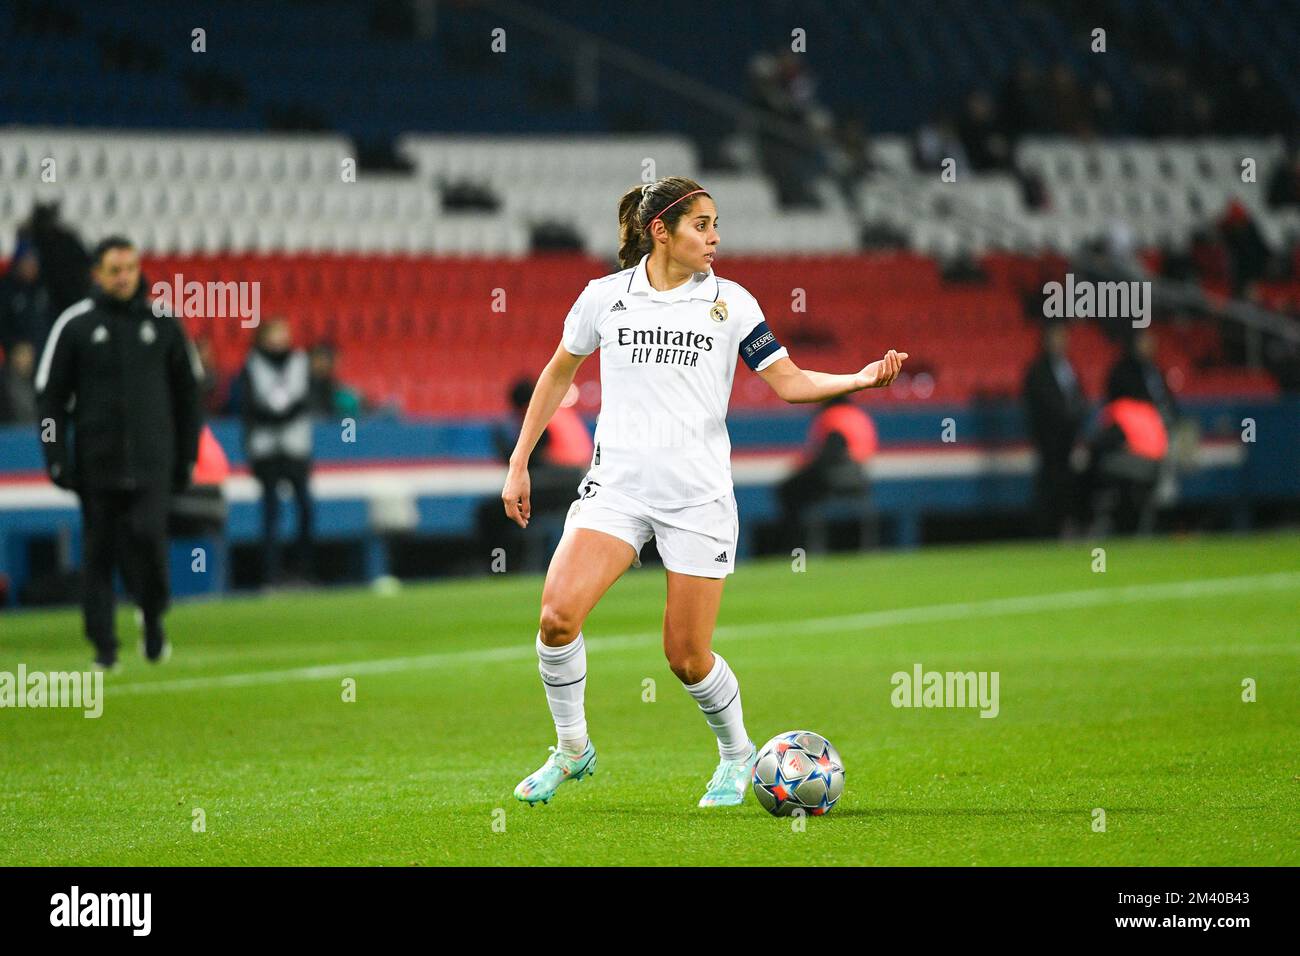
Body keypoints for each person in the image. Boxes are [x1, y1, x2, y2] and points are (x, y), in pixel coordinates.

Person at [502, 176, 907, 809]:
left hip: (698, 498)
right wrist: (520, 460)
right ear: (660, 231)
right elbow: (557, 375)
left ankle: (736, 752)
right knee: (556, 618)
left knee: (686, 656)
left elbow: (789, 382)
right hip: (616, 491)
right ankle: (572, 748)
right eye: (702, 224)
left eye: (716, 224)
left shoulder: (732, 303)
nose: (715, 237)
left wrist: (857, 378)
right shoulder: (604, 298)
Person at [34, 236, 202, 669]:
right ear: (97, 274)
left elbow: (189, 396)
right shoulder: (76, 325)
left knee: (149, 539)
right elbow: (50, 400)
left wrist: (187, 455)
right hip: (97, 464)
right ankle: (104, 647)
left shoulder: (163, 323)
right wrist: (55, 455)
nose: (124, 277)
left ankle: (152, 615)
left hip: (153, 463)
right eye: (114, 270)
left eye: (130, 268)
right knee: (99, 555)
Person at [239, 317, 315, 585]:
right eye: (274, 334)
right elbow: (248, 406)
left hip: (296, 446)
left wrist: (287, 413)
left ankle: (304, 570)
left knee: (304, 508)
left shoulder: (299, 361)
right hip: (266, 449)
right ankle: (271, 574)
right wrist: (273, 418)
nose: (279, 340)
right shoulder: (252, 364)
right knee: (271, 512)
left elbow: (307, 398)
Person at [775, 394, 877, 550]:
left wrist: (801, 465)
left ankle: (796, 546)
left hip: (833, 477)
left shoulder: (830, 416)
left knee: (787, 490)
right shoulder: (860, 416)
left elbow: (827, 455)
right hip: (860, 478)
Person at [1021, 321, 1088, 537]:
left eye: (1063, 337)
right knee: (1050, 484)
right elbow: (1042, 404)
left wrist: (1077, 418)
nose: (1061, 342)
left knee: (1068, 484)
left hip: (1069, 438)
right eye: (1056, 337)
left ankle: (1067, 525)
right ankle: (1047, 530)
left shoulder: (1069, 367)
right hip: (1049, 440)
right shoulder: (1037, 370)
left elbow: (1079, 397)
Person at [0, 340, 39, 424]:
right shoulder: (4, 387)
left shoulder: (38, 382)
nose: (28, 360)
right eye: (23, 355)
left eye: (30, 355)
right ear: (13, 357)